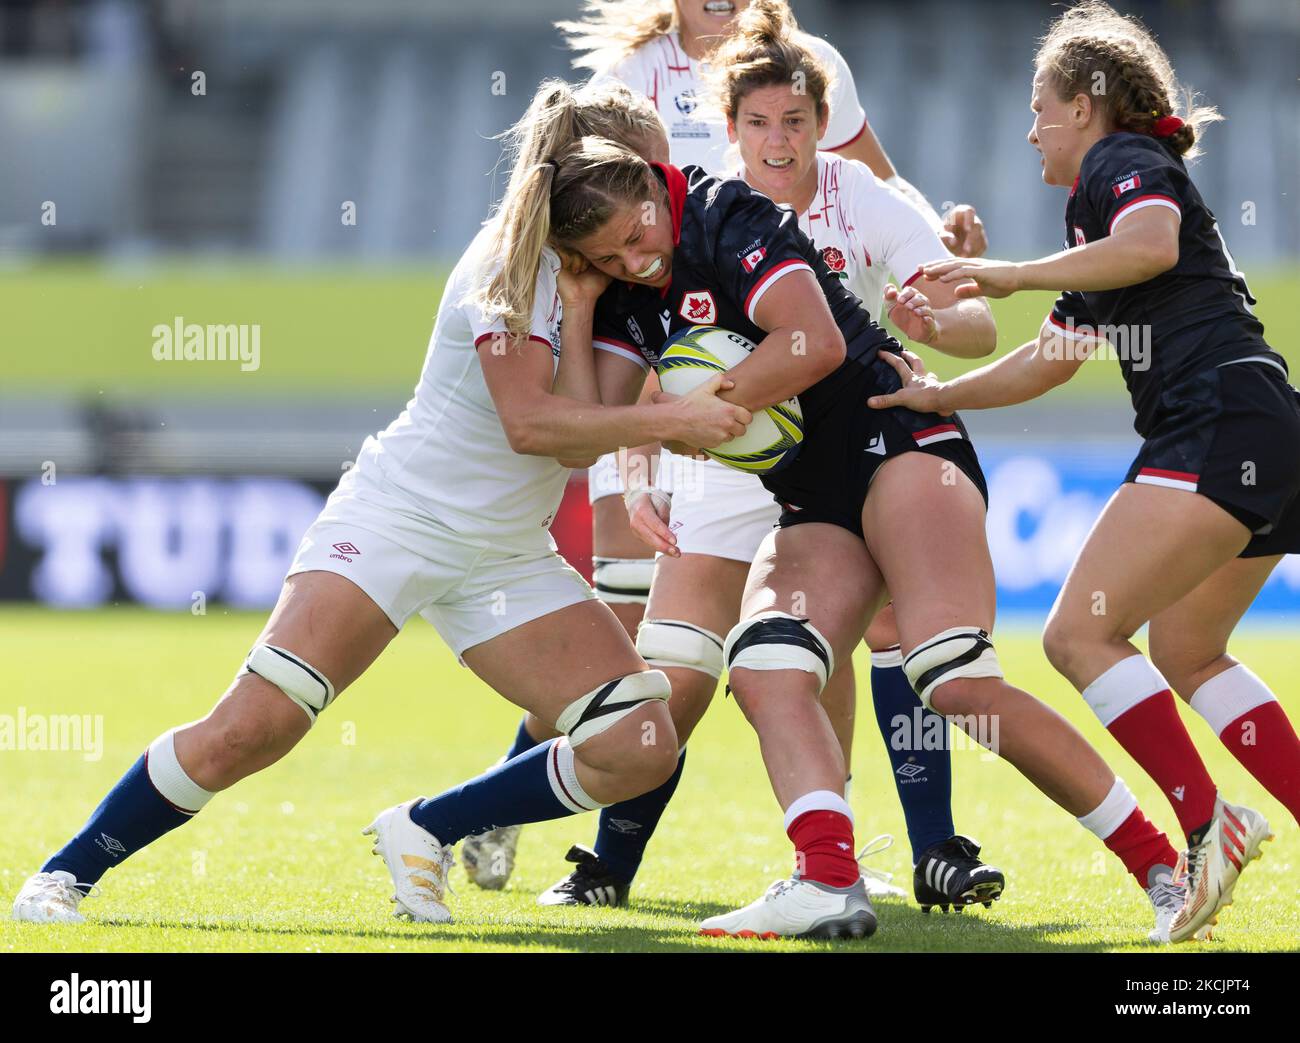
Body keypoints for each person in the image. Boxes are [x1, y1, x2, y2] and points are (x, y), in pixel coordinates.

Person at [11, 79, 749, 927]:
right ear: (598, 173)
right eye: (647, 169)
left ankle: (423, 828)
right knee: (255, 728)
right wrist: (669, 418)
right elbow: (530, 424)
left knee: (641, 742)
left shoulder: (603, 282)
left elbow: (580, 437)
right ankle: (65, 873)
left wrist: (601, 341)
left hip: (506, 549)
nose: (661, 190)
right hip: (399, 518)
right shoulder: (501, 263)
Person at [548, 121, 1198, 942]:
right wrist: (577, 305)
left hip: (897, 437)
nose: (633, 262)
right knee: (765, 662)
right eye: (607, 259)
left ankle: (1164, 869)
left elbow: (813, 343)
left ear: (654, 185)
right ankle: (826, 878)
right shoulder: (623, 283)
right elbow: (585, 418)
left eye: (637, 236)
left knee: (952, 677)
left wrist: (706, 409)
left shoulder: (727, 212)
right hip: (811, 492)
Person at [465, 0, 992, 908]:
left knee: (870, 640)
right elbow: (624, 307)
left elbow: (941, 278)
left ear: (823, 118)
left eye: (796, 120)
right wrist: (641, 467)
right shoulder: (678, 194)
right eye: (757, 122)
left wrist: (944, 274)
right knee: (672, 671)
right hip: (716, 454)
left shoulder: (845, 162)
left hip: (840, 440)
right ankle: (594, 858)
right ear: (724, 126)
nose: (778, 137)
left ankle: (913, 850)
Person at [868, 0, 1294, 943]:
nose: (1029, 131)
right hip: (1262, 420)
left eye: (1038, 107)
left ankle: (1202, 824)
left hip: (1214, 415)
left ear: (1086, 107)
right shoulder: (1097, 205)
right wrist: (942, 396)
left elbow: (1154, 245)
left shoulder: (1120, 164)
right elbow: (1054, 357)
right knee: (1189, 651)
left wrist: (1008, 274)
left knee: (1076, 636)